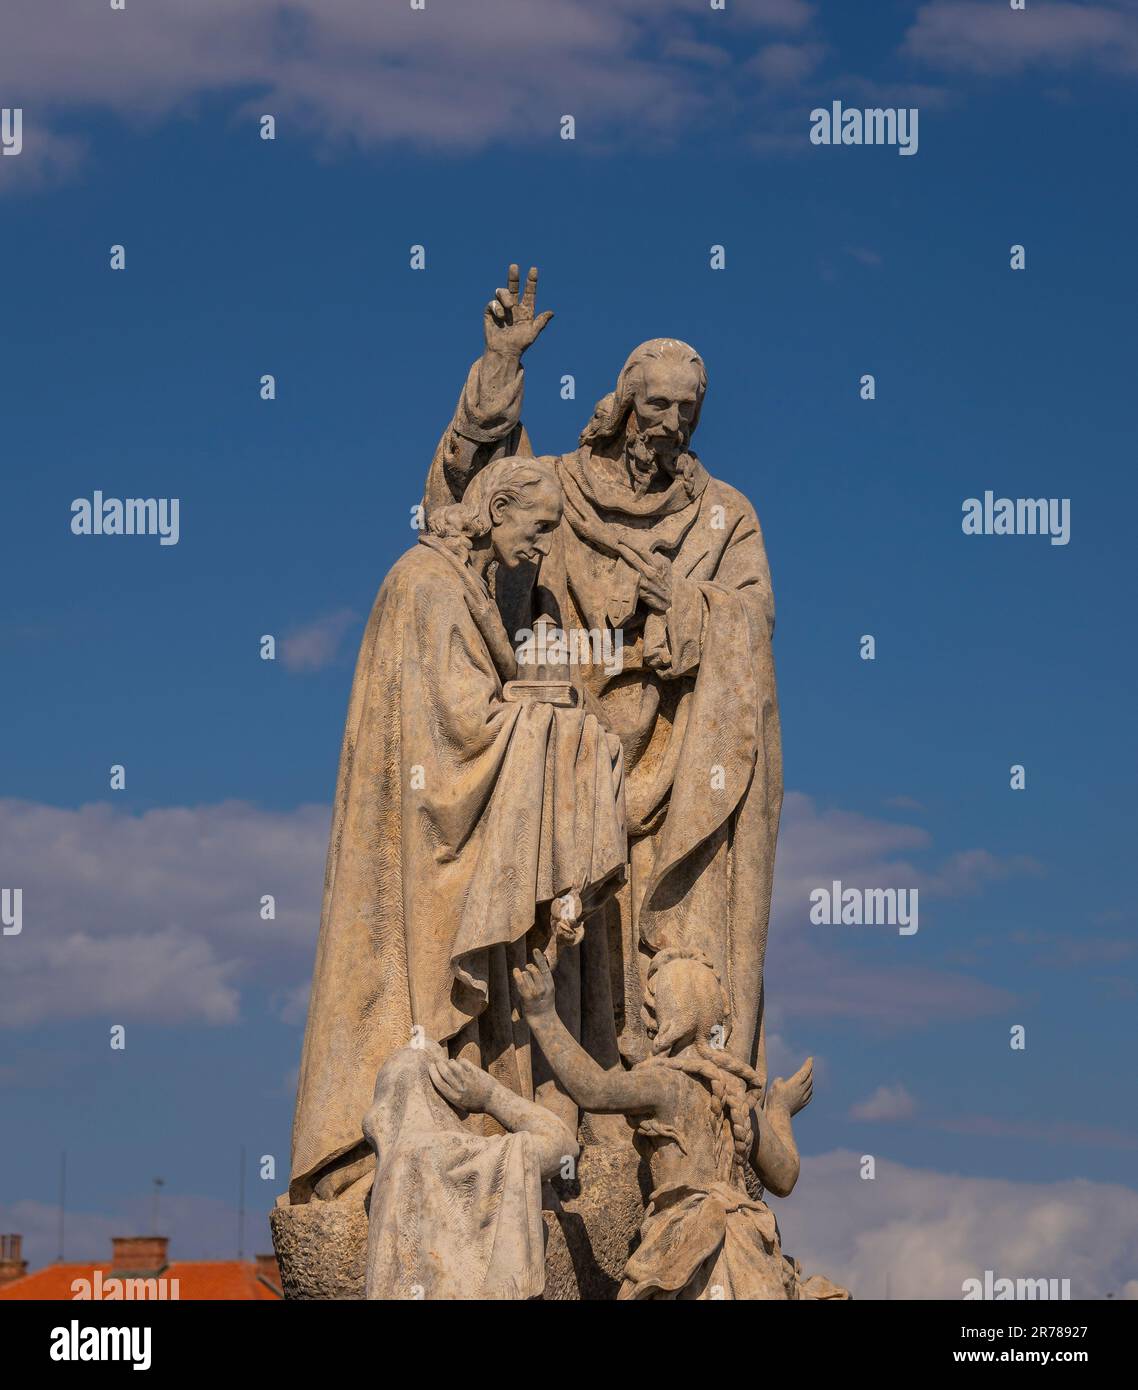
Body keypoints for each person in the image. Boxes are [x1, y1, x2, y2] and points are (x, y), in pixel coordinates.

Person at [289, 455, 626, 1204]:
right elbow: (461, 729)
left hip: (438, 828)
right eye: (537, 530)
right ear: (496, 508)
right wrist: (563, 732)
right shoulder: (429, 585)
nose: (541, 549)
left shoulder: (454, 583)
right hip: (425, 836)